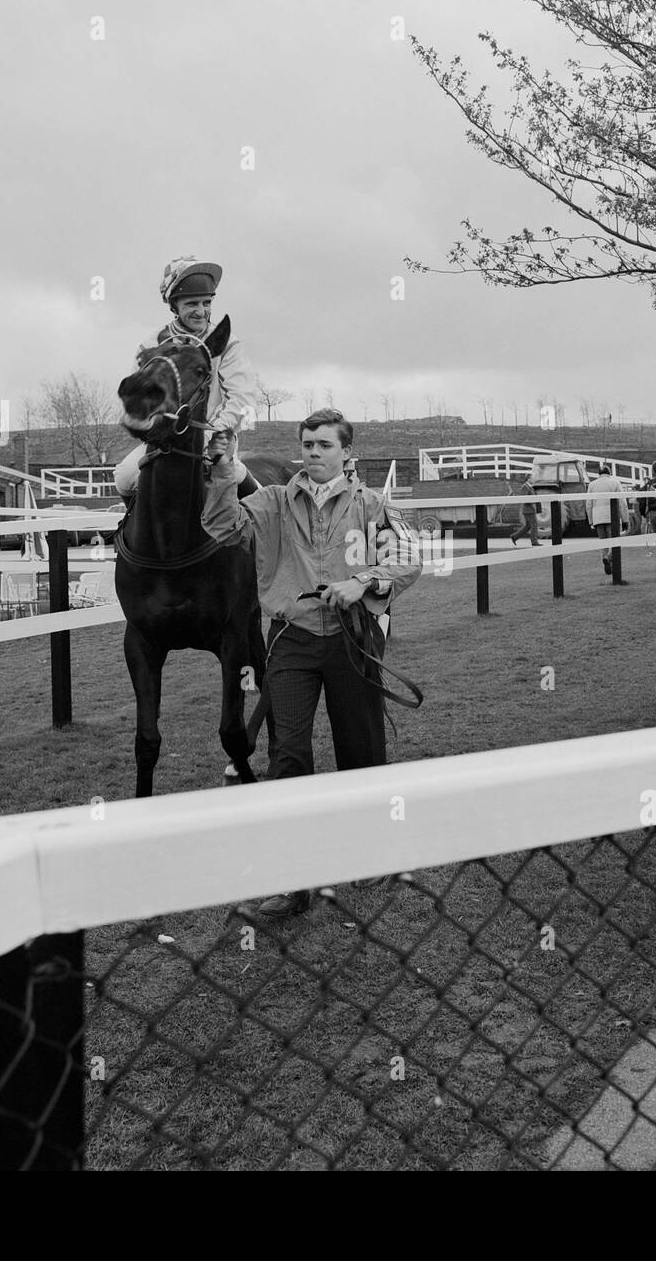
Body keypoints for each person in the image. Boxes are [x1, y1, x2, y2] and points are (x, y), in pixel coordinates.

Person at [201, 408, 423, 920]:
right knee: (289, 755)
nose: (313, 452)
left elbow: (409, 557)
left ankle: (370, 852)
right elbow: (218, 527)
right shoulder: (273, 501)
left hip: (353, 640)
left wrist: (363, 582)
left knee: (360, 749)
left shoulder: (372, 504)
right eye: (307, 444)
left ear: (348, 453)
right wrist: (219, 471)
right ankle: (292, 883)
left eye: (324, 445)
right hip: (291, 640)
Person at [115, 255, 261, 501]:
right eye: (192, 304)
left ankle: (265, 531)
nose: (201, 311)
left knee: (249, 486)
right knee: (125, 478)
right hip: (164, 440)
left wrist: (211, 434)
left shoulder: (227, 343)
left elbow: (243, 398)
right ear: (174, 306)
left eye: (207, 302)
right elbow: (141, 398)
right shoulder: (151, 344)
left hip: (214, 437)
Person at [586, 464, 629, 574]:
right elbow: (622, 502)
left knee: (603, 543)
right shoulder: (615, 483)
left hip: (598, 518)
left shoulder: (592, 485)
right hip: (612, 517)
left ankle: (607, 561)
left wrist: (591, 520)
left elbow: (588, 504)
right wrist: (625, 519)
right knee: (614, 542)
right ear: (609, 473)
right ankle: (609, 558)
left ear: (599, 474)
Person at [510, 481, 542, 546]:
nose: (533, 478)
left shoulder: (530, 486)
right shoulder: (525, 487)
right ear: (528, 478)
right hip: (528, 510)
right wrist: (533, 501)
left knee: (528, 526)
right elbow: (525, 499)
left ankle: (515, 537)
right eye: (531, 477)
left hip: (530, 509)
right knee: (534, 525)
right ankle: (534, 541)